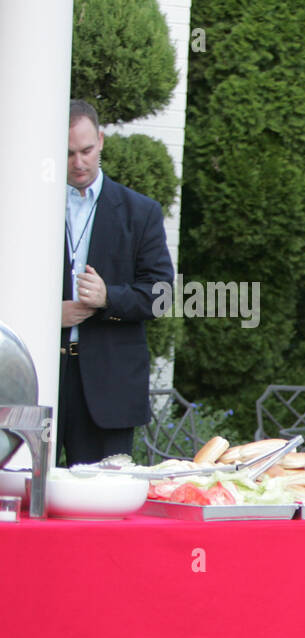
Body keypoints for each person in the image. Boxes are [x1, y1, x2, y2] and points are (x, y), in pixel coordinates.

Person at [59, 99, 173, 466]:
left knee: (99, 511)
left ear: (102, 141)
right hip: (40, 382)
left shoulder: (141, 212)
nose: (79, 162)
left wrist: (110, 297)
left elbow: (162, 295)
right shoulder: (26, 206)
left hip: (109, 388)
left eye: (87, 150)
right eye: (69, 153)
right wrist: (44, 315)